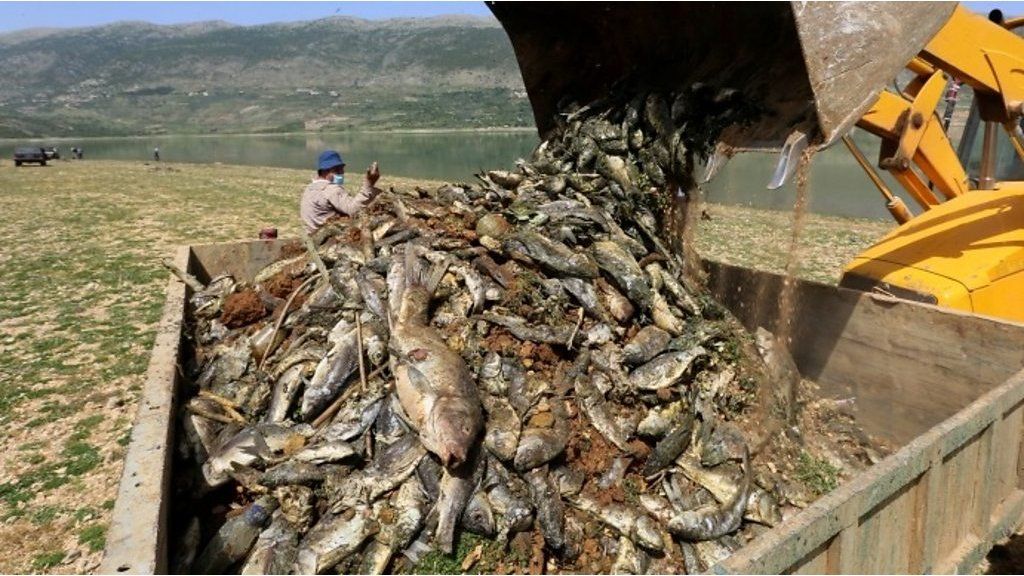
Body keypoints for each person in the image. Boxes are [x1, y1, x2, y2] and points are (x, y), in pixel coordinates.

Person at [300, 150, 382, 234]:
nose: (342, 173)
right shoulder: (330, 189)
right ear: (325, 171)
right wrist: (368, 185)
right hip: (328, 236)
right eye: (337, 170)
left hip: (311, 233)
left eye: (341, 169)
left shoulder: (309, 188)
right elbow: (353, 209)